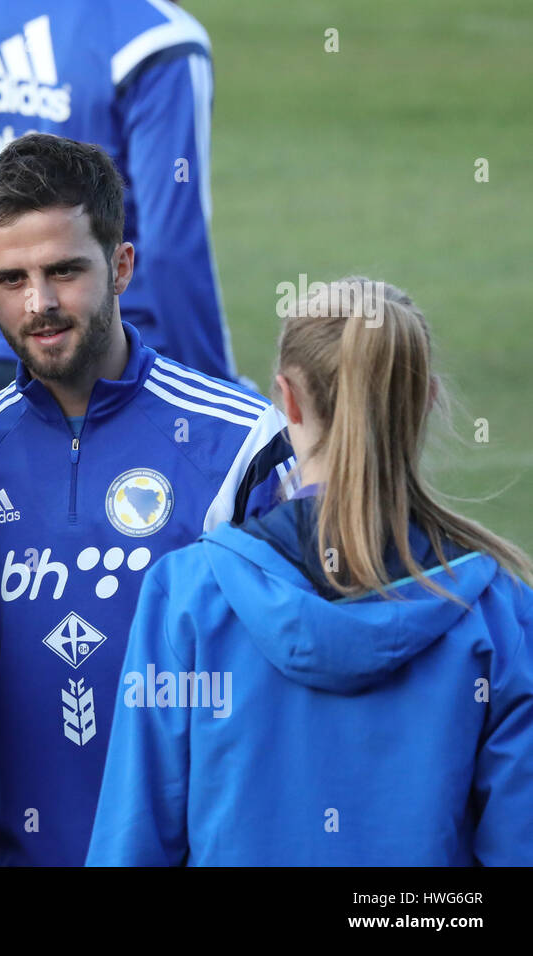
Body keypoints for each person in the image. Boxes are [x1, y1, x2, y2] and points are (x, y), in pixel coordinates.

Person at [87, 279, 533, 866]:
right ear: (423, 399)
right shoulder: (500, 613)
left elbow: (134, 844)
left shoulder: (189, 594)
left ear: (287, 401)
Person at [0, 133, 297, 866]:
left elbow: (290, 691)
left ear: (121, 266)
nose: (40, 303)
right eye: (12, 280)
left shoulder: (239, 442)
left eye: (65, 271)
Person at [0, 0, 236, 394]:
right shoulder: (159, 39)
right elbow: (172, 246)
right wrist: (217, 386)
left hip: (14, 352)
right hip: (126, 361)